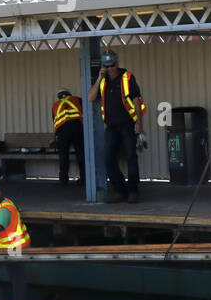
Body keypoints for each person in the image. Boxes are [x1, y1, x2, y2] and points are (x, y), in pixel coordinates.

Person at [87, 50, 146, 203]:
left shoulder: (127, 77)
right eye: (107, 66)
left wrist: (139, 123)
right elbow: (91, 98)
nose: (110, 68)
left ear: (117, 63)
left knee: (131, 157)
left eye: (112, 65)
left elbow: (136, 101)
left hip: (127, 124)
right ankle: (120, 191)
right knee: (108, 158)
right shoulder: (103, 81)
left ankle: (133, 191)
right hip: (111, 127)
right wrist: (100, 77)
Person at [52, 87, 86, 186]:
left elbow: (54, 120)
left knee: (63, 155)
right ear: (69, 94)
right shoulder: (77, 100)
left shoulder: (55, 105)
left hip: (62, 132)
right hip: (77, 129)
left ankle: (63, 179)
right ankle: (84, 178)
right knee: (81, 154)